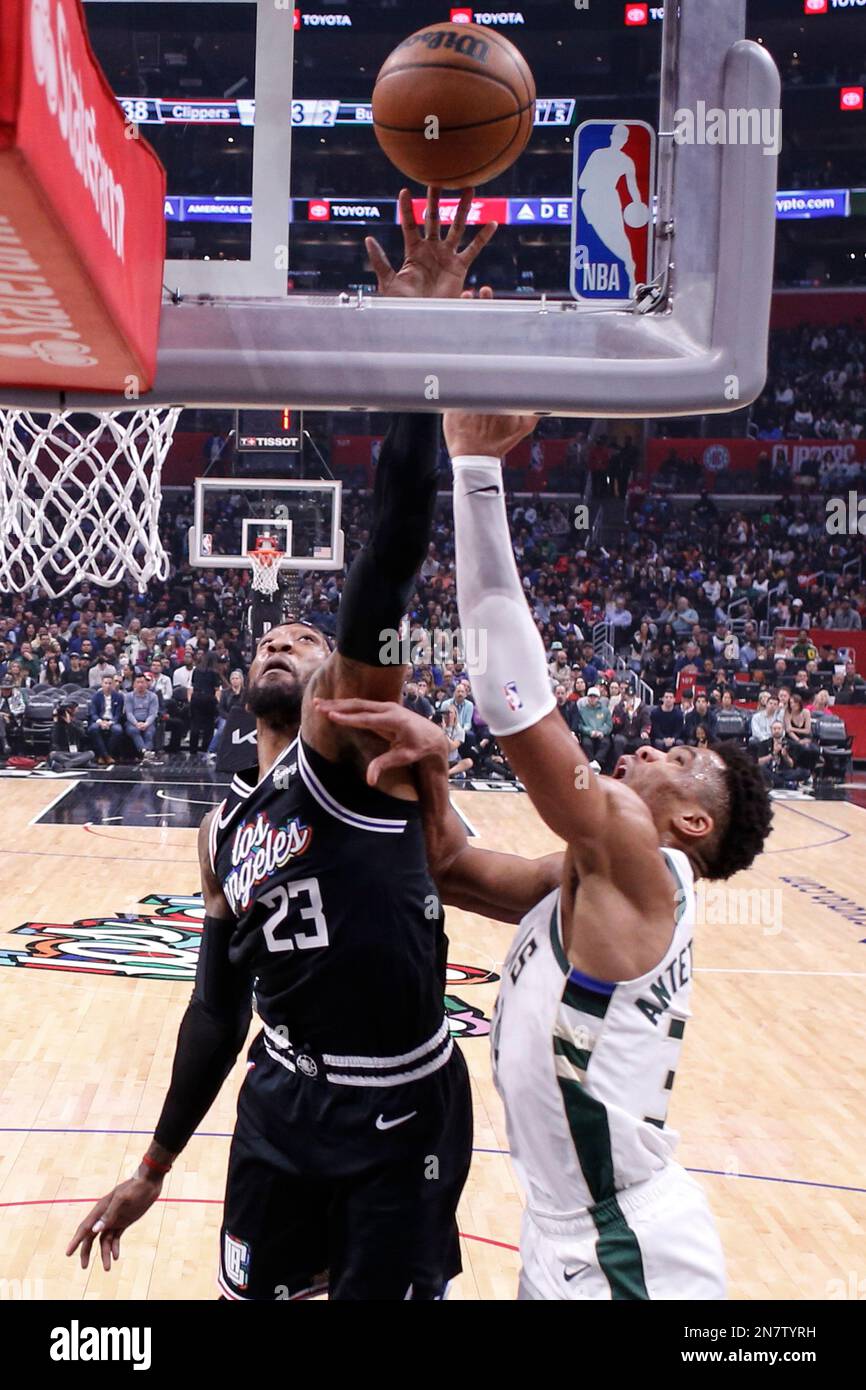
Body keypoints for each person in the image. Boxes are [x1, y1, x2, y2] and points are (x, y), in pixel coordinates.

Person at [67, 187, 496, 1302]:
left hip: (397, 1109)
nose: (283, 638)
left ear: (330, 677)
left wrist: (419, 349)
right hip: (278, 1103)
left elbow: (389, 558)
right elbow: (216, 1002)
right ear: (237, 678)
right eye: (268, 633)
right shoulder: (220, 834)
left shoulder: (348, 749)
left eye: (304, 635)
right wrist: (154, 1163)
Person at [320, 409, 773, 1301]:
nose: (649, 750)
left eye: (678, 763)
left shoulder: (642, 864)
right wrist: (434, 769)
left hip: (621, 1247)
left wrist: (478, 470)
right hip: (571, 1229)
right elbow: (449, 868)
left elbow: (515, 698)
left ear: (689, 826)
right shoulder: (593, 884)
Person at [188, 651, 223, 757]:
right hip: (209, 699)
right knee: (209, 724)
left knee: (195, 724)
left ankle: (192, 749)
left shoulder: (196, 670)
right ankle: (205, 747)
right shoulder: (214, 672)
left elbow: (193, 685)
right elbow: (217, 689)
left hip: (196, 698)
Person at [49, 700, 96, 772]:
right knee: (53, 754)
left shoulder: (78, 723)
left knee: (91, 753)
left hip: (77, 753)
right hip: (63, 753)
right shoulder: (58, 725)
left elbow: (83, 736)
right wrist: (56, 722)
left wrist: (70, 723)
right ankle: (79, 763)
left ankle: (66, 764)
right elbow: (54, 740)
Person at [88, 674, 124, 766]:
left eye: (109, 683)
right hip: (99, 720)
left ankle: (103, 755)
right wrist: (100, 722)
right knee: (93, 729)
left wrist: (110, 723)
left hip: (112, 721)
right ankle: (106, 756)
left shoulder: (118, 696)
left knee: (118, 730)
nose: (108, 685)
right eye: (106, 683)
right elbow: (93, 713)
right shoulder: (96, 696)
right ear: (102, 684)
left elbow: (118, 714)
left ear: (112, 685)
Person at [124, 673, 159, 761]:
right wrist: (136, 724)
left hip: (148, 722)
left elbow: (153, 714)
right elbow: (129, 713)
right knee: (134, 731)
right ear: (134, 684)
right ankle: (145, 752)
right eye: (138, 682)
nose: (140, 685)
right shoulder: (128, 696)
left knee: (149, 733)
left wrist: (146, 724)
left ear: (146, 684)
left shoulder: (153, 696)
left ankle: (146, 754)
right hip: (133, 722)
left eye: (142, 682)